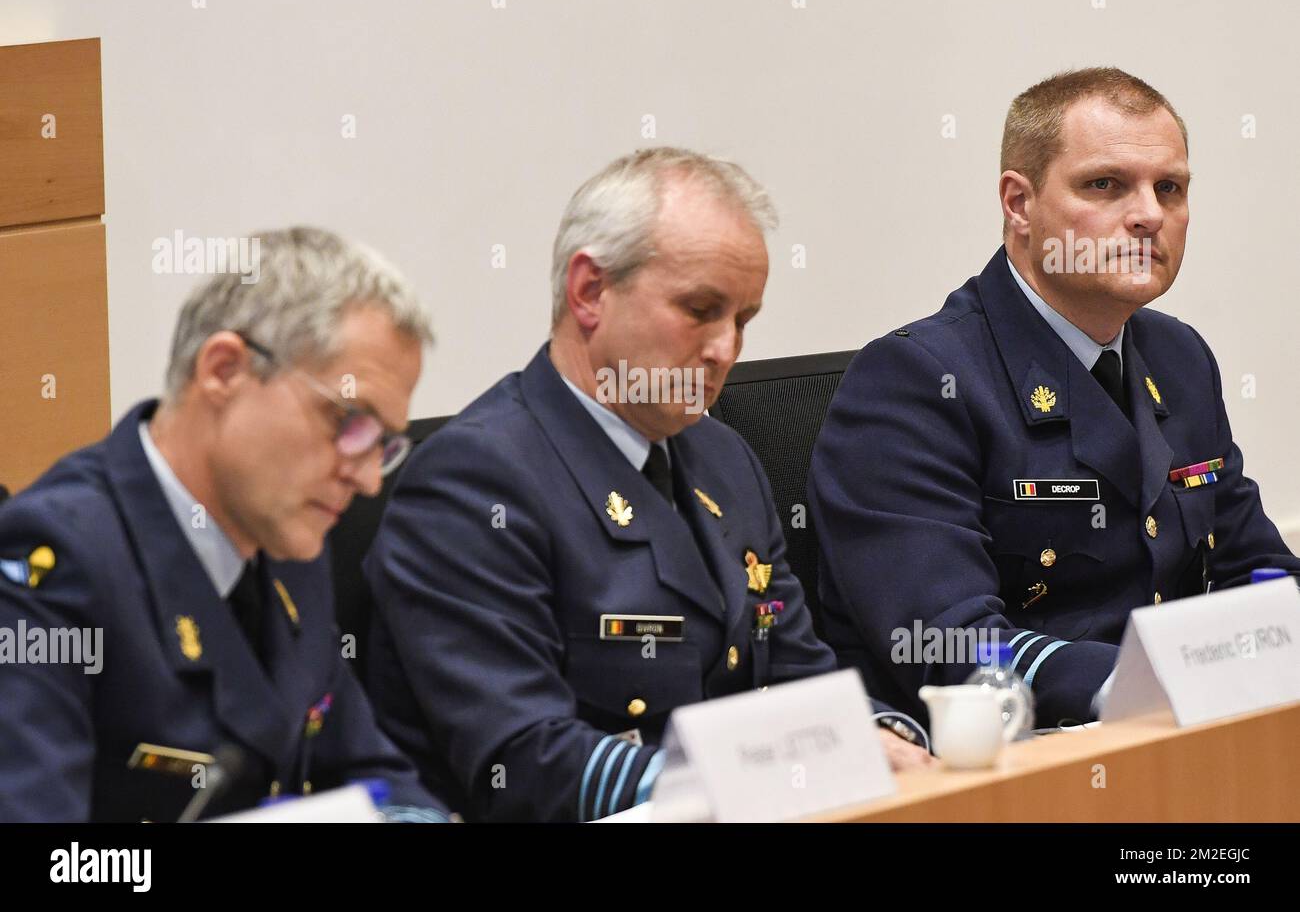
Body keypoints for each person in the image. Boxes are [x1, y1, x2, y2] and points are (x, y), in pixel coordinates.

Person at [366, 148, 932, 822]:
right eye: (700, 310)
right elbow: (521, 763)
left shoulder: (723, 457)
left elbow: (800, 677)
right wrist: (764, 778)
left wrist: (887, 737)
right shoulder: (476, 481)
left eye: (743, 319)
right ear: (589, 293)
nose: (726, 348)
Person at [809, 68, 1300, 729]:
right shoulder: (915, 381)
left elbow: (1254, 568)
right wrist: (1155, 686)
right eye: (1106, 184)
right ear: (1019, 204)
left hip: (1177, 737)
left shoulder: (1179, 358)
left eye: (1170, 189)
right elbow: (952, 643)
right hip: (1011, 764)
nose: (1149, 214)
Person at [0, 227, 447, 821]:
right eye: (349, 421)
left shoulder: (289, 541)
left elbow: (369, 770)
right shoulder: (56, 561)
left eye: (384, 445)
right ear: (224, 371)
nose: (368, 480)